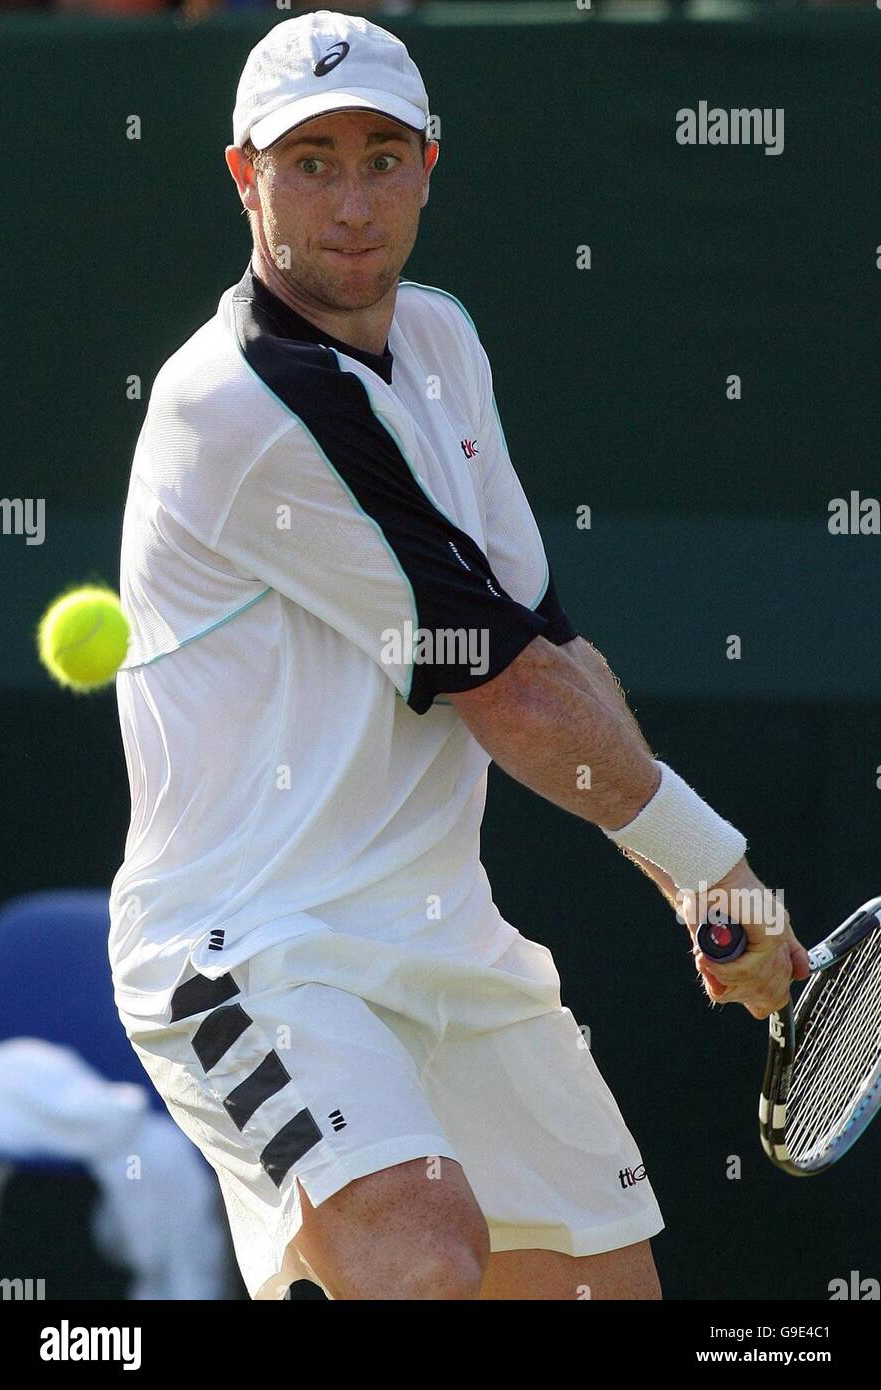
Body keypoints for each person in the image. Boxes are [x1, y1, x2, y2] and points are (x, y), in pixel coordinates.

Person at [109, 9, 809, 1301]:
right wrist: (723, 879)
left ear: (432, 162)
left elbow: (551, 644)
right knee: (424, 1260)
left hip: (439, 932)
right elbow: (517, 694)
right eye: (311, 161)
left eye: (383, 155)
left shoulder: (441, 342)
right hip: (250, 944)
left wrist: (693, 888)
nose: (353, 200)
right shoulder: (240, 405)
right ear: (243, 176)